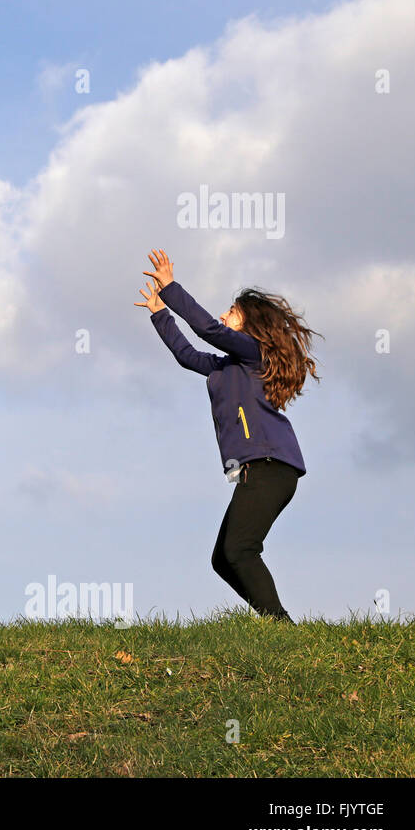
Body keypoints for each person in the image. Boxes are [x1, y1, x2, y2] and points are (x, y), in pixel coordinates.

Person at [136, 250, 319, 622]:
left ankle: (281, 625)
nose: (223, 316)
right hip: (259, 470)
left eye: (231, 311)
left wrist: (171, 287)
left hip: (270, 466)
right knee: (224, 559)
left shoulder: (253, 353)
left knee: (241, 550)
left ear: (250, 324)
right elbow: (188, 355)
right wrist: (160, 313)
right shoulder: (227, 367)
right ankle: (274, 623)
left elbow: (208, 330)